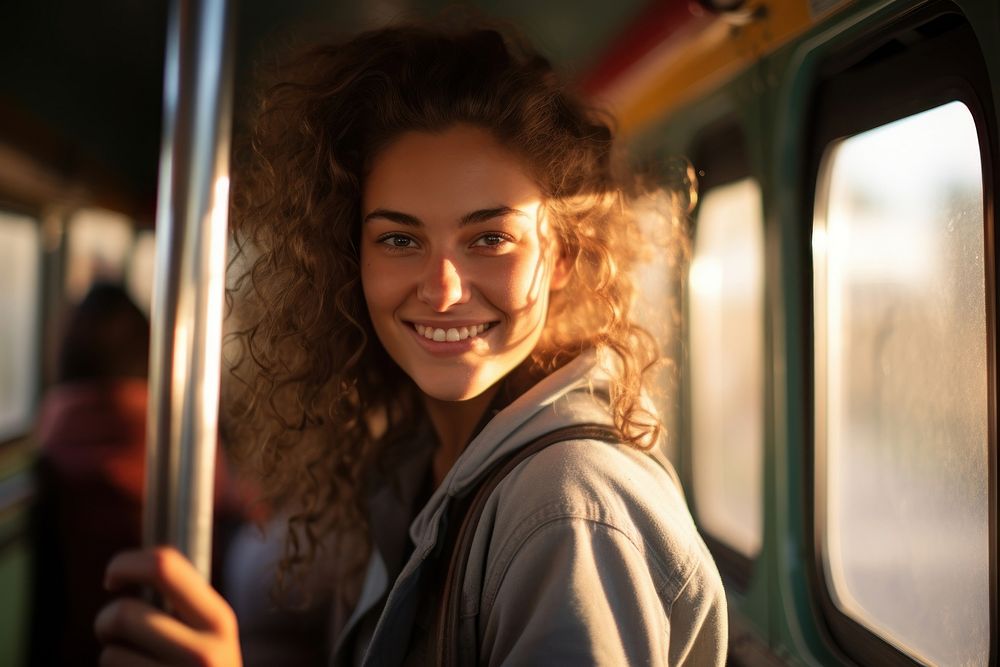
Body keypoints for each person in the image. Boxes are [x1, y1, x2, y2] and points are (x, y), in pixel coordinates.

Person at [95, 22, 727, 666]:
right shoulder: (416, 458)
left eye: (489, 239)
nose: (444, 290)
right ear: (352, 260)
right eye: (400, 240)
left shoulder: (569, 510)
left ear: (561, 255)